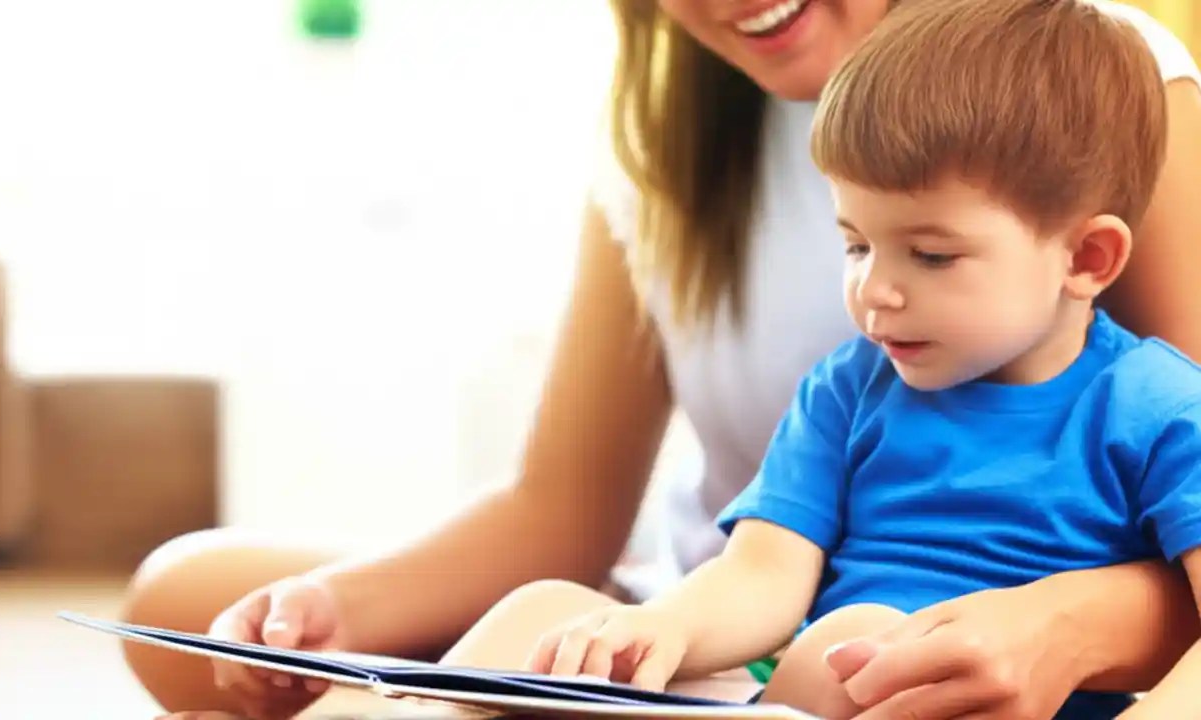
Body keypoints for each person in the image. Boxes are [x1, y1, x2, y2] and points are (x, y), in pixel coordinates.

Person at [125, 0, 1201, 718]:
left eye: (927, 254)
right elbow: (751, 567)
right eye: (852, 244)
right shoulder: (848, 381)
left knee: (863, 644)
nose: (874, 290)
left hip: (905, 666)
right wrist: (647, 630)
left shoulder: (1090, 116)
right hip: (767, 639)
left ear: (1085, 256)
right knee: (542, 607)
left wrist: (1058, 625)